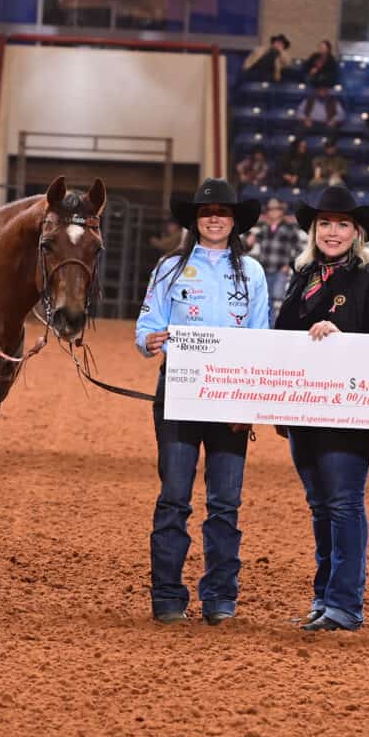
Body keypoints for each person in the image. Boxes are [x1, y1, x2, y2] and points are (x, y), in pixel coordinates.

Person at [135, 178, 269, 625]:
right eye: (207, 211)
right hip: (178, 390)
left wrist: (247, 402)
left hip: (230, 398)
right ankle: (168, 595)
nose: (215, 218)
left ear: (234, 221)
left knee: (225, 501)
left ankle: (219, 597)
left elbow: (259, 336)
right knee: (174, 496)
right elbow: (147, 324)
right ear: (195, 219)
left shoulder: (251, 273)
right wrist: (149, 340)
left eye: (223, 212)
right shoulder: (169, 268)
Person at [274, 186, 369, 632]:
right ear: (314, 229)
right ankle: (325, 597)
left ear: (357, 232)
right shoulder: (302, 276)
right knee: (321, 506)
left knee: (343, 504)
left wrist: (344, 338)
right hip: (303, 412)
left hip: (348, 415)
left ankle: (345, 603)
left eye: (342, 224)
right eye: (325, 223)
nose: (333, 232)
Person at [248, 197, 302, 315]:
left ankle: (278, 324)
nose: (273, 212)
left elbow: (299, 248)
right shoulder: (264, 228)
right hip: (265, 268)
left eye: (276, 209)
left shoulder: (289, 228)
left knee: (278, 297)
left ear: (281, 211)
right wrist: (250, 239)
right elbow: (251, 242)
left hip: (280, 269)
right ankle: (269, 326)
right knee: (265, 298)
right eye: (270, 209)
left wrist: (289, 264)